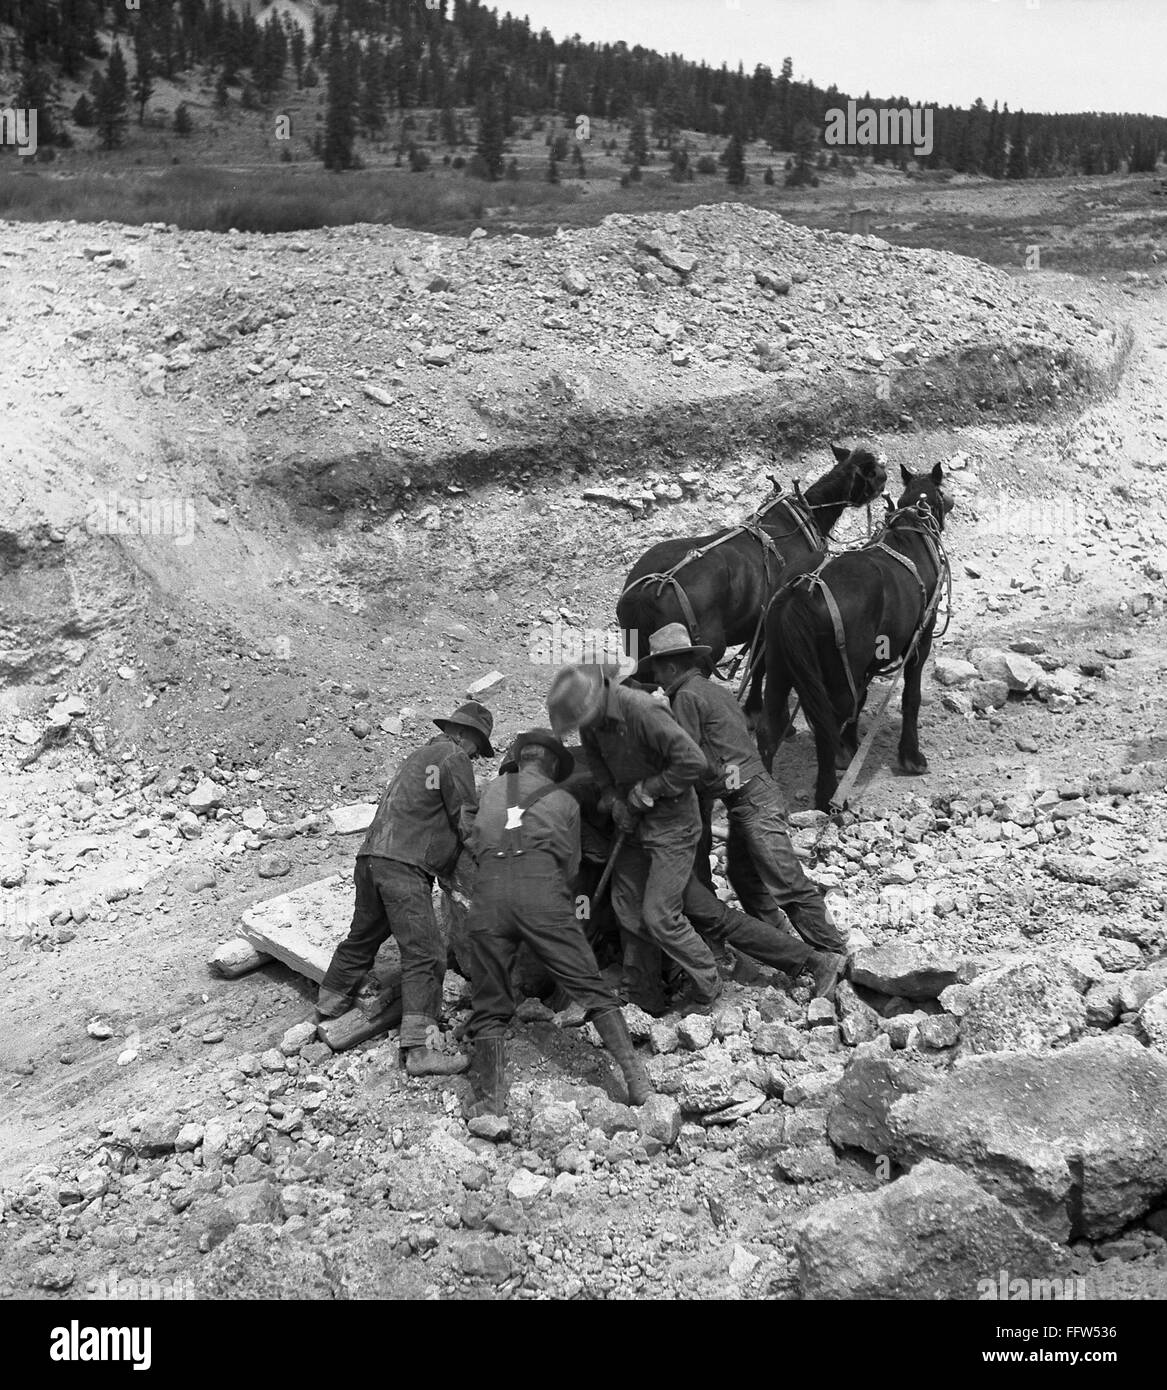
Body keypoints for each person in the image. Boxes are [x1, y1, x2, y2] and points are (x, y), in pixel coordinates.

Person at [637, 624, 850, 999]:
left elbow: (688, 759)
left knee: (786, 883)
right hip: (751, 795)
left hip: (750, 800)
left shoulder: (685, 698)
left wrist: (654, 787)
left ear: (670, 667)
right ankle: (786, 948)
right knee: (747, 878)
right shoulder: (712, 690)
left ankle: (834, 957)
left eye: (657, 669)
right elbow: (724, 755)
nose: (656, 677)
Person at [462, 728, 650, 1117]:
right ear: (552, 766)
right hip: (542, 892)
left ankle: (491, 1097)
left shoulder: (491, 790)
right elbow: (571, 867)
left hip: (488, 893)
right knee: (588, 982)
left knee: (491, 998)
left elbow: (474, 836)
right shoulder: (564, 800)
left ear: (519, 759)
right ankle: (635, 1079)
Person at [315, 700, 494, 1076]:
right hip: (404, 865)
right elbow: (465, 816)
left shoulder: (418, 756)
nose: (477, 756)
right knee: (427, 953)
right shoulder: (453, 756)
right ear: (465, 735)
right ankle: (420, 1049)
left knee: (364, 934)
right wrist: (489, 857)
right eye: (478, 745)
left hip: (372, 858)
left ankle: (329, 1000)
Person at [547, 663, 723, 1016]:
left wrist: (650, 789)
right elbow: (598, 766)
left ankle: (709, 983)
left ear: (596, 701)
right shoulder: (592, 724)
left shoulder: (643, 710)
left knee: (660, 915)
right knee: (627, 906)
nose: (584, 729)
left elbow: (693, 761)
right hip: (633, 826)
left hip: (674, 825)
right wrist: (613, 799)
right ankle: (643, 994)